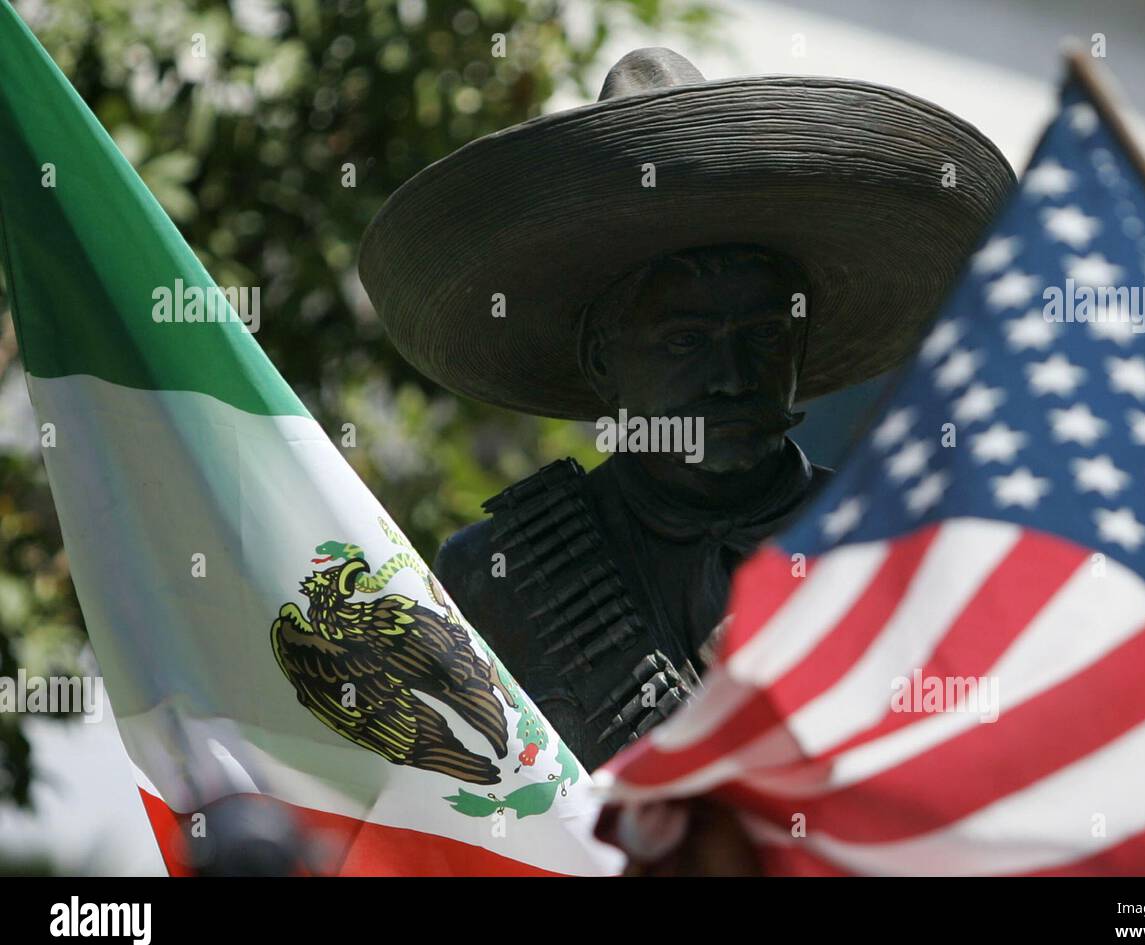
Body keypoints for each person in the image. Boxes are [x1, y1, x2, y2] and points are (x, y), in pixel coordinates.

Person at [358, 47, 1014, 770]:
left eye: (764, 336)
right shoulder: (499, 573)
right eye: (686, 342)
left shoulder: (889, 553)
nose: (732, 379)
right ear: (603, 363)